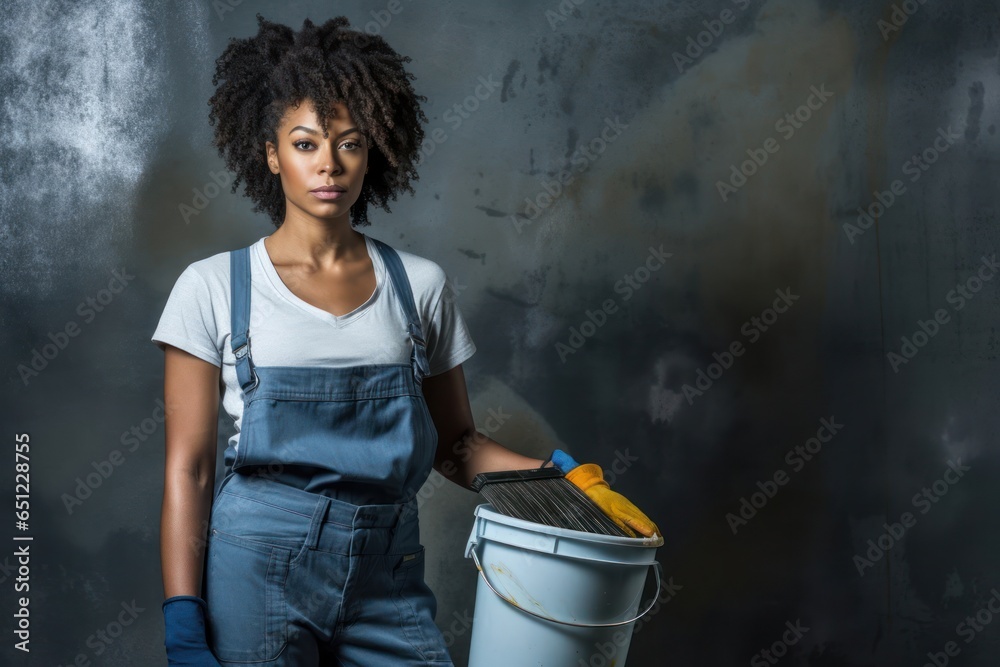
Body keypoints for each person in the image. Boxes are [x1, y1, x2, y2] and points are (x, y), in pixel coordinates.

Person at [151, 14, 660, 667]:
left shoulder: (419, 285)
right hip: (256, 565)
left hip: (387, 568)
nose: (328, 164)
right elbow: (188, 469)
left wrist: (562, 478)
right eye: (305, 143)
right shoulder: (213, 286)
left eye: (349, 142)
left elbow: (457, 445)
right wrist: (183, 621)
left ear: (374, 152)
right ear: (271, 153)